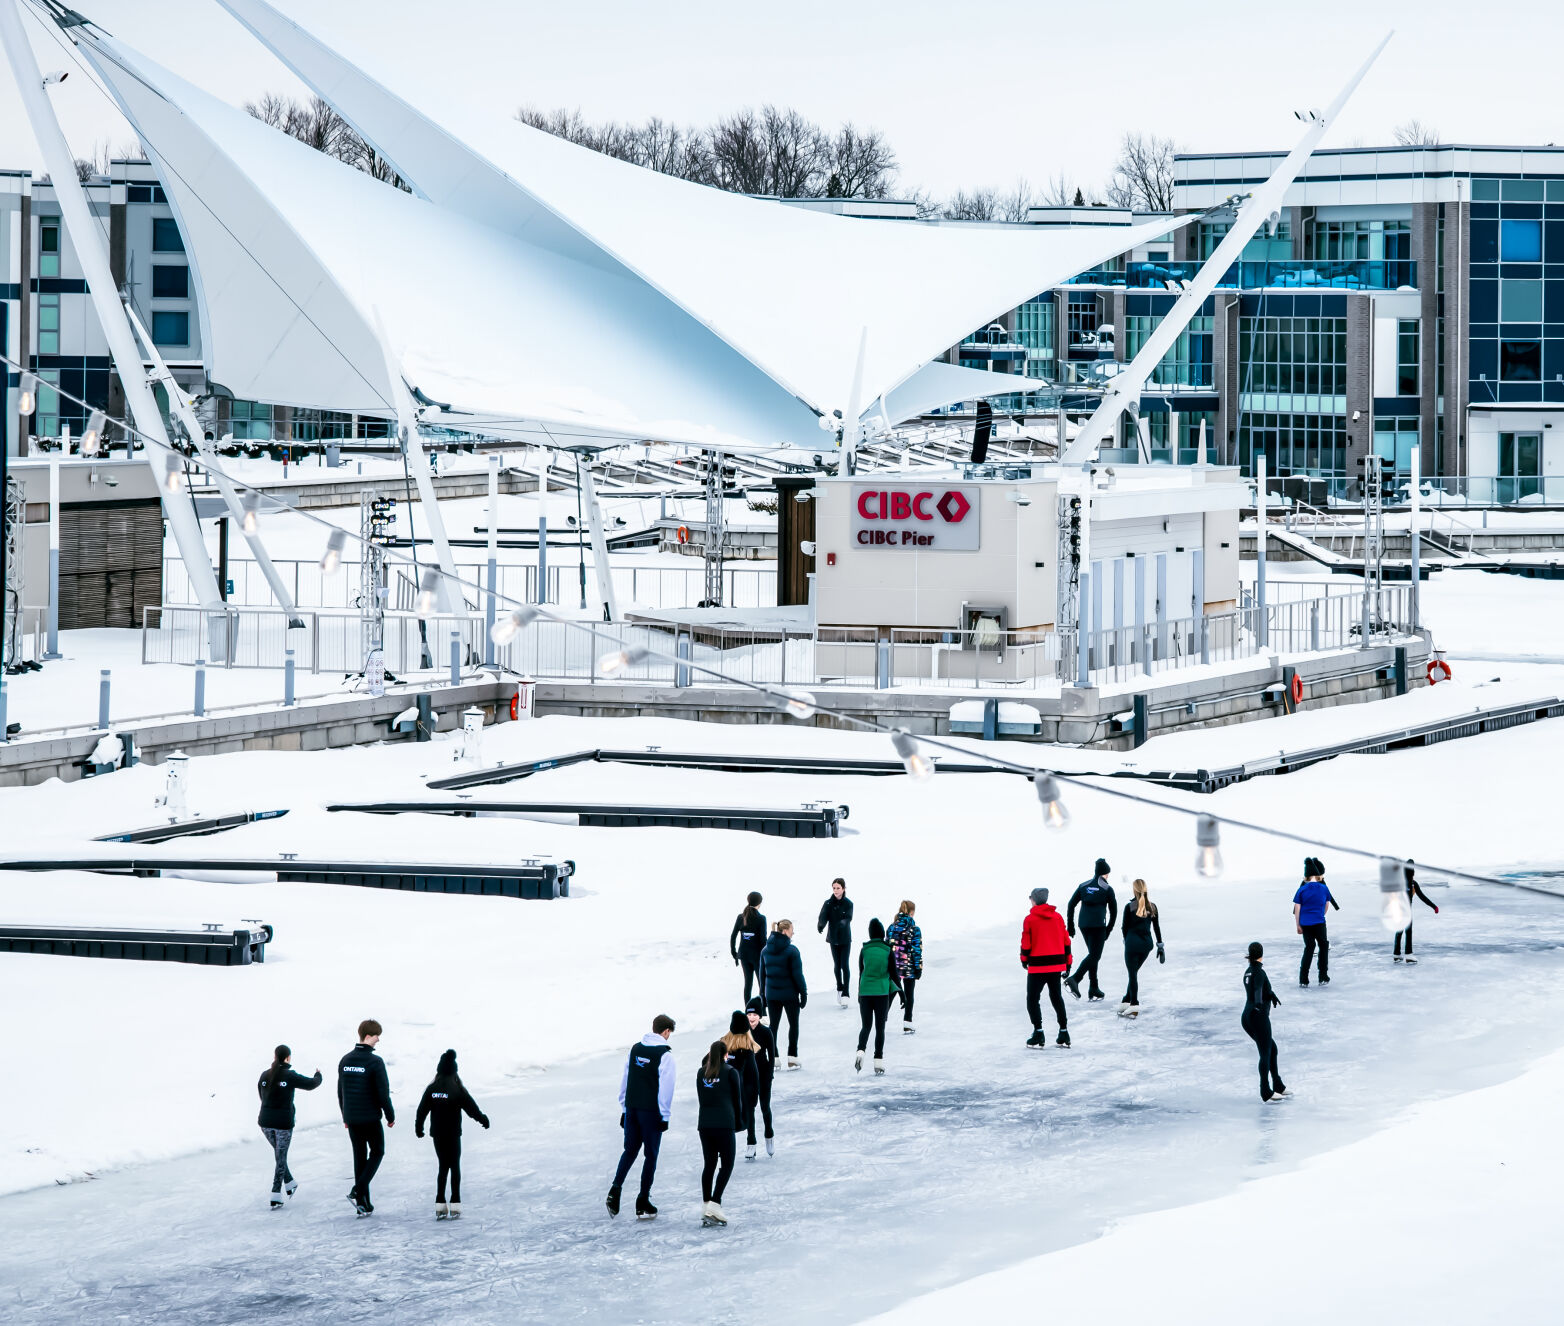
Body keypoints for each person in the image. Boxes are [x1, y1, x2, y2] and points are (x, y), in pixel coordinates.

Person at [608, 1013, 676, 1220]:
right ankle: (643, 1201)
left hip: (632, 1108)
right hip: (651, 1112)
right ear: (665, 1031)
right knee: (651, 1155)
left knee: (629, 1150)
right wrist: (664, 1116)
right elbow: (666, 1088)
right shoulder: (665, 1056)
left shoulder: (635, 1049)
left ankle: (615, 1190)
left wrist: (624, 1109)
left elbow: (625, 1080)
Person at [414, 1048, 490, 1220]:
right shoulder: (457, 1089)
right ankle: (455, 1205)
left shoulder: (432, 1088)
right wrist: (483, 1119)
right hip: (453, 1134)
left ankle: (440, 1206)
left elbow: (422, 1110)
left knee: (443, 1166)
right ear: (454, 1070)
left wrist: (419, 1127)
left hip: (438, 1135)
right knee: (454, 1166)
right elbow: (472, 1109)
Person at [338, 1019, 394, 1217]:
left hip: (352, 1118)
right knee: (378, 1152)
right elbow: (383, 1092)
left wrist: (345, 1115)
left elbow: (341, 1092)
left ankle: (363, 1205)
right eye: (377, 1035)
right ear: (368, 1036)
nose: (379, 1039)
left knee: (359, 1158)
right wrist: (390, 1115)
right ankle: (358, 1190)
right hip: (370, 1117)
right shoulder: (374, 1062)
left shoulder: (345, 1060)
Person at [256, 1044, 321, 1210]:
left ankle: (290, 1182)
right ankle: (275, 1194)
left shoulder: (265, 1075)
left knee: (279, 1155)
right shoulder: (289, 1075)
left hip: (265, 1123)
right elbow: (311, 1084)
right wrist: (318, 1076)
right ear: (288, 1058)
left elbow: (261, 1096)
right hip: (282, 1124)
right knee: (281, 1157)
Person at [695, 1039, 743, 1226]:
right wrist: (739, 1122)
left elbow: (702, 1097)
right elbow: (737, 1100)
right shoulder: (731, 1072)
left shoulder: (701, 1073)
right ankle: (715, 1203)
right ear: (725, 1055)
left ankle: (706, 1204)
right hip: (724, 1123)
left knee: (710, 1164)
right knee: (727, 1163)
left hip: (705, 1125)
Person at [1021, 886, 1072, 1048]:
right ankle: (1064, 1031)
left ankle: (1038, 1032)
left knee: (1032, 999)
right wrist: (1068, 962)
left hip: (1037, 966)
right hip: (1056, 965)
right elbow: (1066, 941)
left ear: (1034, 900)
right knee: (1056, 997)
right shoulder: (1057, 918)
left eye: (1031, 898)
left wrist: (1024, 959)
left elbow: (1026, 944)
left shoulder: (1030, 919)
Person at [855, 918, 903, 1073]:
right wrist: (902, 995)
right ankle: (878, 1061)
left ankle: (860, 1051)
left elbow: (861, 973)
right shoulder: (887, 950)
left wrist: (859, 994)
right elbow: (895, 975)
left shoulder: (864, 950)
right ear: (882, 933)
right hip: (881, 993)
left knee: (866, 1026)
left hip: (865, 992)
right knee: (880, 1028)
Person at [1066, 859, 1118, 1001]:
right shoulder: (1107, 889)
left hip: (1083, 925)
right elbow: (1114, 912)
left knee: (1092, 955)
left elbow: (1071, 904)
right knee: (1095, 956)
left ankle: (1093, 987)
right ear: (1106, 873)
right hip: (1098, 926)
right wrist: (1109, 929)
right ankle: (1075, 979)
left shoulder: (1084, 886)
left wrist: (1070, 925)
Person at [1241, 941, 1287, 1101]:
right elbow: (1258, 990)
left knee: (1271, 1049)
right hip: (1257, 1016)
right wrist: (1260, 1005)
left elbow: (1258, 988)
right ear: (1261, 954)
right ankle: (1265, 1091)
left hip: (1247, 1016)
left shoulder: (1248, 971)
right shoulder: (1259, 972)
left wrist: (1271, 995)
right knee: (1266, 1052)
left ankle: (1278, 1085)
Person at [762, 920, 807, 1069]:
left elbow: (762, 977)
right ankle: (792, 1057)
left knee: (773, 1026)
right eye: (792, 929)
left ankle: (774, 1058)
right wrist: (803, 993)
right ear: (785, 931)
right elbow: (797, 975)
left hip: (772, 995)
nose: (793, 932)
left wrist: (763, 998)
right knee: (793, 1025)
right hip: (789, 995)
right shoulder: (792, 951)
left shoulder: (765, 950)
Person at [1119, 879, 1165, 1017]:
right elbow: (1156, 928)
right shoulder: (1153, 907)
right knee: (1133, 974)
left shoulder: (1129, 907)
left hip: (1132, 944)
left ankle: (1134, 1005)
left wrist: (1127, 941)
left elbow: (1124, 927)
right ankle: (1126, 1000)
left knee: (1132, 975)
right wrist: (1160, 946)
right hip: (1147, 945)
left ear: (1134, 890)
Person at [1293, 856, 1340, 986]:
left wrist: (1298, 925)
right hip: (1319, 922)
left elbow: (1297, 908)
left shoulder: (1301, 889)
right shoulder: (1323, 888)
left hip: (1305, 924)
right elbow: (1326, 904)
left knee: (1309, 948)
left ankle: (1303, 979)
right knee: (1323, 946)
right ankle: (1323, 976)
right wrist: (1320, 914)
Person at [722, 1012, 762, 1161]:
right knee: (742, 1117)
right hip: (736, 1090)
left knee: (737, 1118)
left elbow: (753, 1075)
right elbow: (753, 1075)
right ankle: (749, 1143)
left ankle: (747, 1143)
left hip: (735, 1090)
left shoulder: (744, 1049)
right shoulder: (737, 1047)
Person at [745, 999, 776, 1156]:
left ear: (760, 1015)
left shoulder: (766, 1032)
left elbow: (771, 1056)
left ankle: (769, 1136)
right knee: (749, 1110)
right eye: (749, 1014)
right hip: (749, 1077)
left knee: (765, 1107)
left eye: (755, 1014)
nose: (751, 1018)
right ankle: (751, 1142)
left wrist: (769, 1076)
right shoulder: (743, 1033)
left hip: (763, 1075)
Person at [886, 901, 923, 1034]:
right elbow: (916, 950)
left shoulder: (891, 928)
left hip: (894, 966)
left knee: (891, 992)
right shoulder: (914, 929)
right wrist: (918, 968)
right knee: (909, 995)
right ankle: (907, 1023)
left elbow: (887, 947)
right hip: (909, 967)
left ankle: (882, 1018)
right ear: (912, 912)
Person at [817, 878, 854, 1006]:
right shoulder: (828, 903)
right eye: (834, 888)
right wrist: (821, 925)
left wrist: (843, 923)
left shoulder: (848, 903)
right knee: (837, 965)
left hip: (845, 939)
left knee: (845, 965)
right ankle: (839, 988)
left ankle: (846, 992)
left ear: (843, 889)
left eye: (838, 888)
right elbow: (823, 915)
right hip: (833, 938)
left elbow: (848, 917)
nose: (836, 890)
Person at [1395, 862, 1440, 963]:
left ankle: (1397, 954)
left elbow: (1422, 897)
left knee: (1400, 931)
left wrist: (1434, 906)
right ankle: (1408, 954)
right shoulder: (1407, 883)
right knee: (1407, 931)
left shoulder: (1411, 883)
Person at [730, 891, 768, 1003]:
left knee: (748, 983)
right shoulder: (761, 918)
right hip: (757, 956)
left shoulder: (741, 917)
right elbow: (763, 940)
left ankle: (748, 1010)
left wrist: (735, 953)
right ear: (760, 903)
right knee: (762, 983)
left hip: (744, 955)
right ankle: (763, 1012)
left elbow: (733, 936)